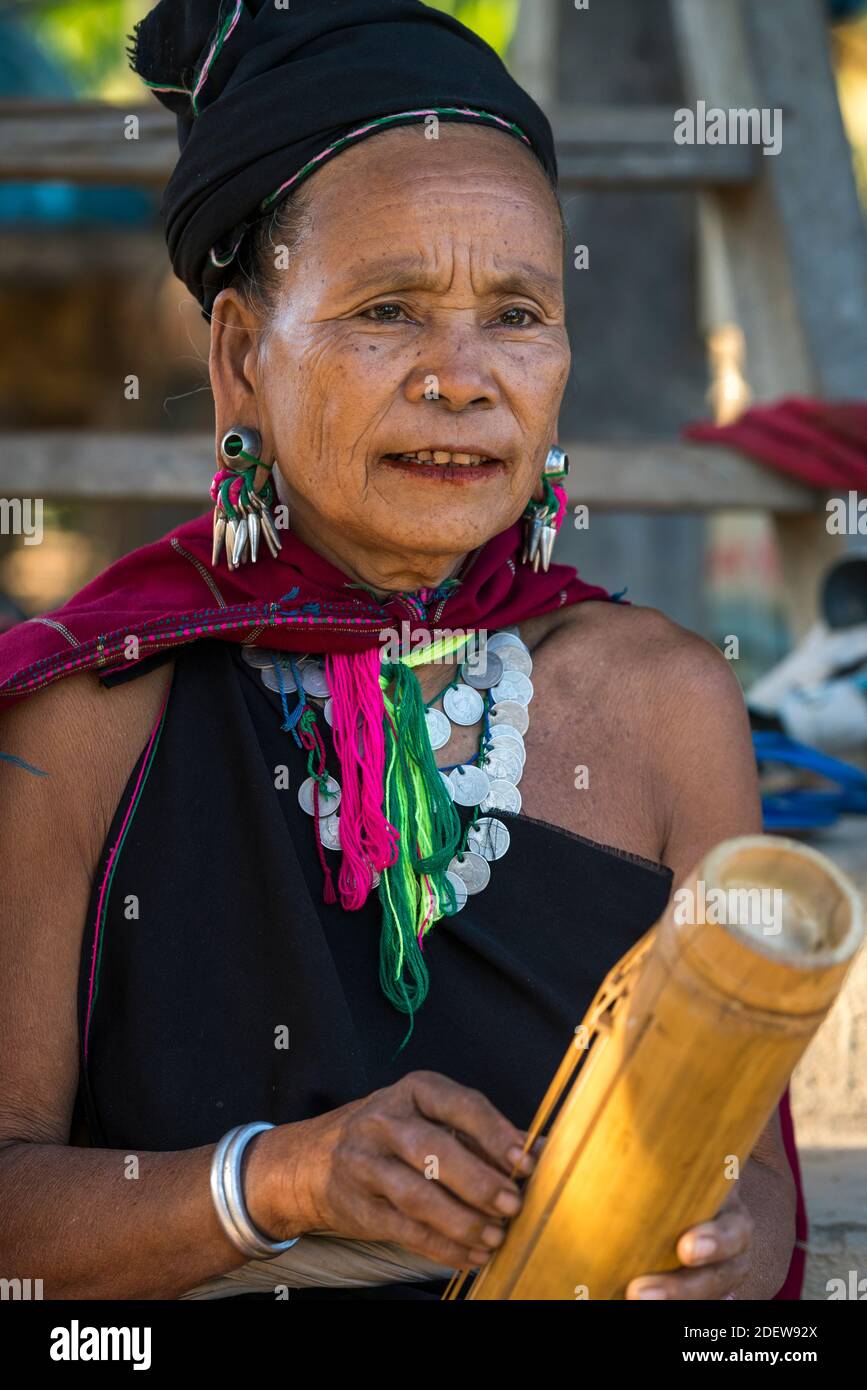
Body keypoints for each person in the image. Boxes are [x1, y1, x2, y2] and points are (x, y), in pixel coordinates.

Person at [0, 0, 799, 1300]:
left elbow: (751, 1174)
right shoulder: (95, 708)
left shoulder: (667, 703)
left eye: (519, 315)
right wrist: (276, 1181)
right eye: (389, 310)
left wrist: (726, 1252)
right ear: (243, 356)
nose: (463, 376)